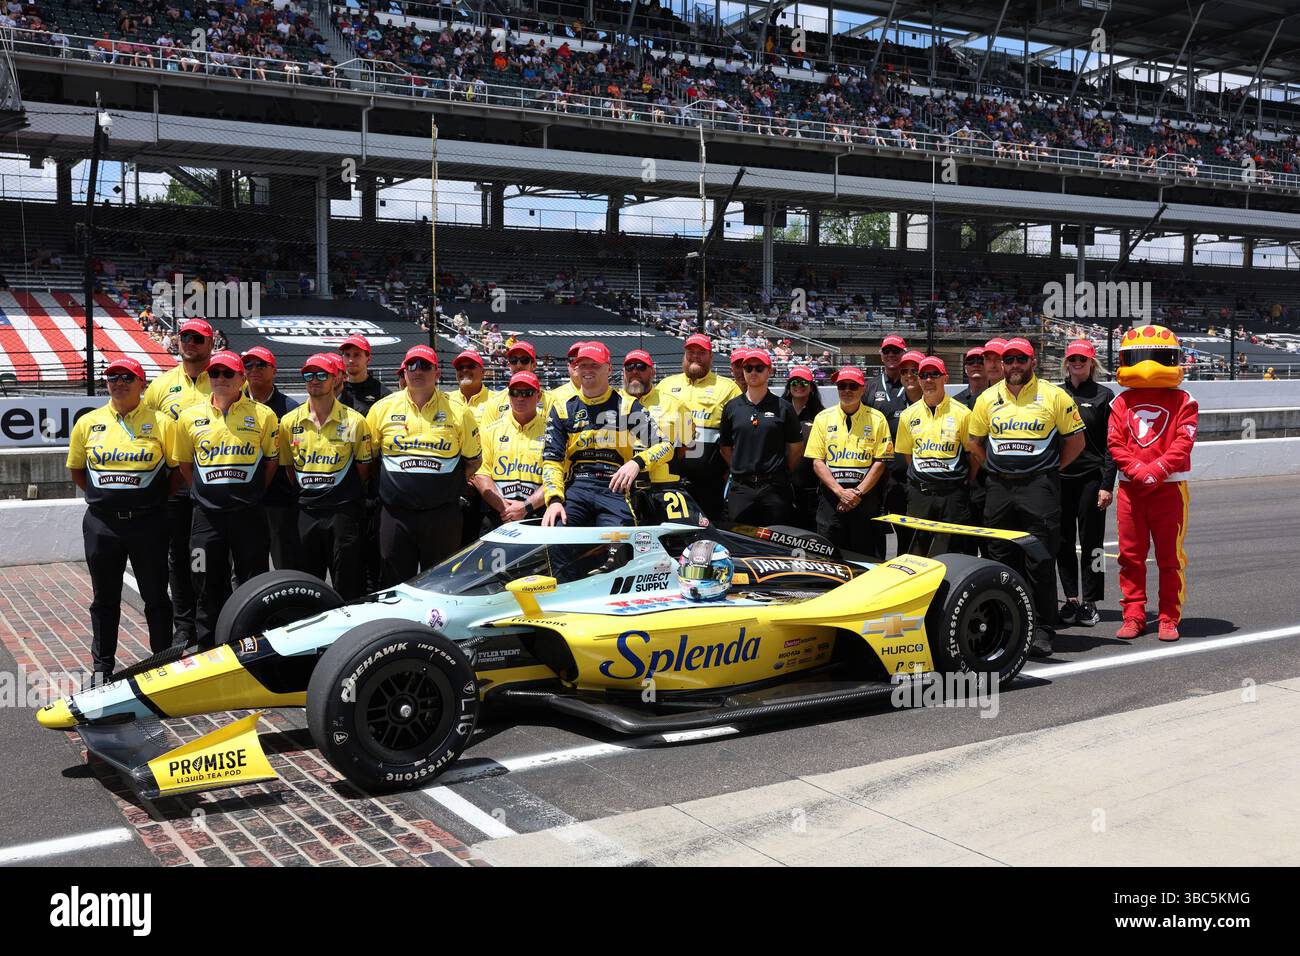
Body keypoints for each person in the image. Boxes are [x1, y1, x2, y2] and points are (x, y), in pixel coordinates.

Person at [966, 337, 1085, 658]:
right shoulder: (988, 398)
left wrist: (1050, 469)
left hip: (1039, 489)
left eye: (1021, 359)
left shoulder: (1054, 396)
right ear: (1001, 364)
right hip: (999, 490)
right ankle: (1006, 623)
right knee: (1001, 560)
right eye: (1009, 360)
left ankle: (1043, 628)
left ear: (1033, 362)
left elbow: (1076, 441)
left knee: (1040, 560)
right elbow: (974, 441)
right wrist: (991, 467)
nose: (1014, 365)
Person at [66, 358, 175, 682]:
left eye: (127, 377)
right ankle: (102, 666)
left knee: (155, 596)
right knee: (104, 599)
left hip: (149, 523)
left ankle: (162, 662)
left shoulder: (162, 422)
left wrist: (149, 500)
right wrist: (108, 499)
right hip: (102, 524)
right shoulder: (89, 422)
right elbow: (77, 470)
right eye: (112, 376)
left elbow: (177, 472)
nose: (119, 382)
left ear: (142, 384)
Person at [169, 351, 279, 649]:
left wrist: (253, 494)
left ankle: (250, 646)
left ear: (242, 378)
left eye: (227, 374)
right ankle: (208, 647)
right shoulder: (190, 417)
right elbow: (184, 464)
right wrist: (202, 494)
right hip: (206, 519)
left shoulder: (264, 416)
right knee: (204, 583)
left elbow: (271, 461)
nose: (220, 379)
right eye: (214, 374)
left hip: (249, 517)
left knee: (253, 584)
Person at [1108, 325, 1198, 642]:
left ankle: (1168, 618)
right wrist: (1137, 470)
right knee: (1130, 558)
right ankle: (1133, 616)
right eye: (1139, 356)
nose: (1147, 364)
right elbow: (1115, 443)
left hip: (1170, 489)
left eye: (1156, 356)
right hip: (1131, 490)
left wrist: (1156, 470)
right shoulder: (1120, 402)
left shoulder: (1185, 399)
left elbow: (1182, 443)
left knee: (1170, 559)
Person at [367, 345, 482, 584]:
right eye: (412, 365)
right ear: (404, 371)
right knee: (394, 582)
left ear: (437, 374)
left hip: (442, 515)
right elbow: (370, 458)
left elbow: (473, 460)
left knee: (441, 583)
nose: (417, 371)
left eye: (425, 366)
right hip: (395, 513)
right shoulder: (381, 408)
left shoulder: (459, 412)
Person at [542, 342, 671, 527]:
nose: (588, 370)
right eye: (583, 365)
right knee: (558, 531)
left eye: (594, 365)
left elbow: (665, 446)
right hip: (575, 487)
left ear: (609, 369)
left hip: (614, 486)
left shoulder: (628, 406)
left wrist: (637, 463)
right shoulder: (562, 409)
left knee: (621, 542)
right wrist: (554, 500)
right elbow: (551, 461)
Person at [278, 354, 374, 599]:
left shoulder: (355, 421)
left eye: (322, 375)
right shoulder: (289, 422)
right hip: (305, 511)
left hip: (343, 513)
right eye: (309, 375)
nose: (314, 380)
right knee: (306, 584)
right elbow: (289, 468)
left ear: (336, 379)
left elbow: (363, 468)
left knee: (349, 581)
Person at [142, 316, 212, 648]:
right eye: (185, 337)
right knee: (179, 557)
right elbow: (145, 429)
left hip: (214, 484)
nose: (190, 343)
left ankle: (208, 623)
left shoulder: (225, 377)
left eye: (198, 338)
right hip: (174, 486)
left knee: (206, 557)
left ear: (210, 344)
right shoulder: (160, 385)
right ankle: (184, 627)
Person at [1056, 340, 1116, 629]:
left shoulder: (1105, 396)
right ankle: (1070, 599)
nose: (1077, 362)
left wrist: (1107, 485)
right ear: (1066, 363)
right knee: (1062, 542)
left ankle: (1091, 601)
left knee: (1092, 543)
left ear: (1092, 363)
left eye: (1083, 358)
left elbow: (1111, 447)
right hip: (1060, 478)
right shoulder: (1055, 395)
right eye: (1073, 358)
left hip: (1092, 480)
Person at [804, 366, 892, 557]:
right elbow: (817, 462)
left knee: (865, 557)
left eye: (853, 386)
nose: (847, 391)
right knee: (827, 556)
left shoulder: (877, 419)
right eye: (842, 386)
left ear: (863, 389)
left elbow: (880, 462)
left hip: (865, 497)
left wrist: (856, 493)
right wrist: (840, 492)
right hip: (831, 498)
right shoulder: (823, 418)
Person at [894, 357, 975, 556]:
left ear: (945, 378)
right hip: (920, 496)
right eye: (923, 375)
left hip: (953, 496)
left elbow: (972, 456)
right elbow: (908, 455)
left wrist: (960, 482)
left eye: (934, 374)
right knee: (918, 553)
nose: (928, 379)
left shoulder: (963, 413)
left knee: (954, 553)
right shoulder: (908, 415)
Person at [659, 334, 741, 524]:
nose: (695, 356)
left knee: (709, 532)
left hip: (710, 483)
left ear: (711, 357)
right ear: (684, 355)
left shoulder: (728, 388)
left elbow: (738, 436)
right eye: (690, 352)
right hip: (670, 479)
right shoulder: (665, 385)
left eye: (701, 353)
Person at [620, 348, 707, 526]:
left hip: (663, 489)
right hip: (622, 488)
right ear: (623, 372)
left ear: (652, 371)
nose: (635, 371)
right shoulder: (613, 401)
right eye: (629, 367)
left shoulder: (674, 404)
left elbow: (687, 445)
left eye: (641, 367)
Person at [719, 349, 804, 526]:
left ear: (769, 371)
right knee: (739, 541)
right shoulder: (732, 407)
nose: (753, 372)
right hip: (741, 488)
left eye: (759, 368)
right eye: (748, 368)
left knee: (776, 543)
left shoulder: (784, 408)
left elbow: (796, 449)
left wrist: (780, 472)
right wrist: (741, 468)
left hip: (774, 488)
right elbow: (725, 448)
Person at [243, 345, 301, 571]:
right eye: (248, 364)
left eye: (261, 364)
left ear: (274, 370)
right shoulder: (233, 404)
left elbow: (296, 457)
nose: (254, 368)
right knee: (247, 567)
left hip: (279, 500)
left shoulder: (290, 408)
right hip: (242, 500)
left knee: (285, 564)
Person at [473, 370, 547, 526]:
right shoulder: (490, 430)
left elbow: (556, 478)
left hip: (539, 513)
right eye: (515, 392)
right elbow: (481, 475)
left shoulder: (552, 430)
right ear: (508, 395)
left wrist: (526, 507)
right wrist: (505, 508)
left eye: (527, 393)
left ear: (539, 396)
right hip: (498, 513)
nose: (520, 398)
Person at [868, 335, 914, 556]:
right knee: (877, 527)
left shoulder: (917, 383)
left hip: (909, 474)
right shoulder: (870, 387)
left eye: (896, 351)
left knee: (909, 531)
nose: (891, 355)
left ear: (904, 353)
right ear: (881, 354)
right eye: (887, 351)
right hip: (879, 472)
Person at [448, 349, 493, 545]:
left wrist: (479, 476)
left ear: (482, 371)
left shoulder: (498, 400)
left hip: (486, 484)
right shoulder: (445, 400)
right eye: (460, 367)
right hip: (453, 482)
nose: (465, 370)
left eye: (471, 366)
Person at [953, 345, 991, 553]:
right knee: (964, 546)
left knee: (991, 546)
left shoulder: (999, 396)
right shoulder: (955, 402)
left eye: (980, 360)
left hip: (990, 480)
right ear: (965, 367)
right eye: (970, 361)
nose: (975, 364)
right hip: (962, 482)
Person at [781, 364, 824, 532]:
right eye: (794, 382)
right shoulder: (779, 411)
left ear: (812, 387)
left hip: (810, 487)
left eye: (804, 383)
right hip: (782, 484)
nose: (798, 386)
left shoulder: (821, 415)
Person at [481, 340, 556, 425]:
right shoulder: (495, 401)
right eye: (514, 360)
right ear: (509, 365)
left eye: (524, 360)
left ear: (534, 365)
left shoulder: (552, 401)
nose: (519, 365)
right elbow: (487, 436)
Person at [339, 334, 389, 415]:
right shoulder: (335, 389)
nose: (351, 360)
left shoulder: (382, 394)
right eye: (347, 355)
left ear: (368, 359)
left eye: (356, 355)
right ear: (342, 358)